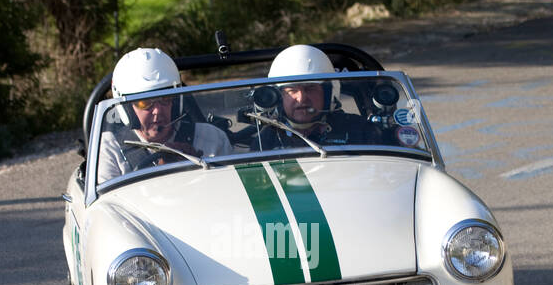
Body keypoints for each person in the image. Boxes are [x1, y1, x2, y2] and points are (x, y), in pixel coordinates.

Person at [98, 48, 232, 183]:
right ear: (127, 109)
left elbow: (231, 190)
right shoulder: (110, 149)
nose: (157, 110)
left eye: (165, 98)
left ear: (175, 99)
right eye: (144, 102)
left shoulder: (212, 139)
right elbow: (106, 202)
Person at [263, 44, 391, 146]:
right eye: (291, 90)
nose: (301, 98)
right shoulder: (266, 139)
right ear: (279, 97)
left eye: (310, 88)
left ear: (329, 92)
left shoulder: (360, 130)